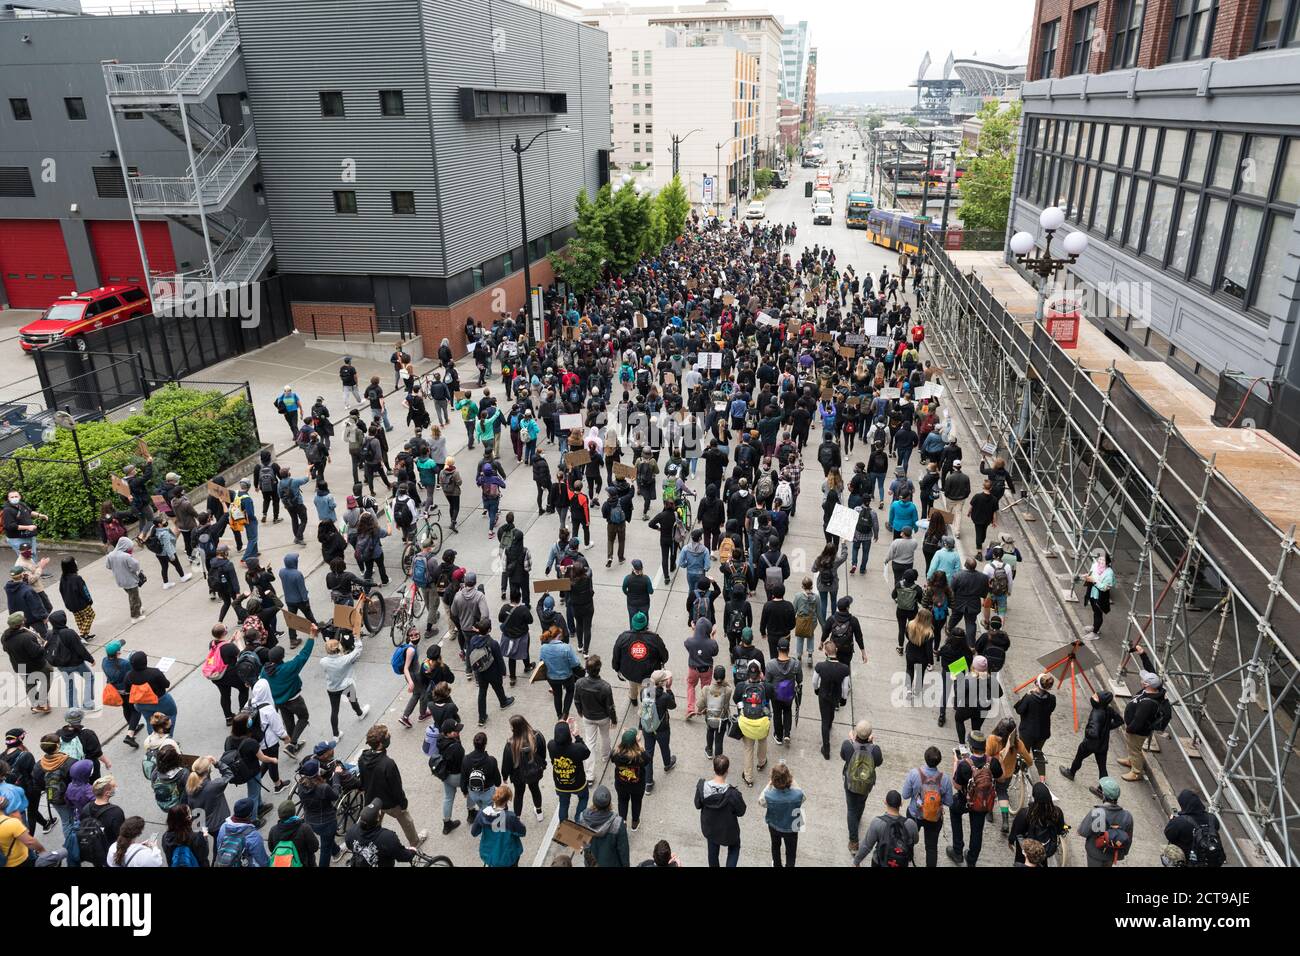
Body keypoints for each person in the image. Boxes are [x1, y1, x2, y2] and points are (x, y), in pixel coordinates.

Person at [358, 724, 427, 847]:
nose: (389, 736)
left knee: (374, 826)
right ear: (380, 743)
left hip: (373, 801)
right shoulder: (388, 764)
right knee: (407, 821)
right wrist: (403, 803)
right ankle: (415, 843)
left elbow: (363, 780)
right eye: (386, 735)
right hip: (390, 803)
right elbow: (396, 788)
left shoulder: (362, 757)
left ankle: (372, 845)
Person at [948, 730, 1002, 867]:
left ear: (971, 747)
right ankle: (971, 860)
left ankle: (957, 851)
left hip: (964, 800)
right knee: (977, 830)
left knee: (954, 812)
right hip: (982, 802)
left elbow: (957, 786)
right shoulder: (993, 762)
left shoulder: (964, 765)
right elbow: (1001, 778)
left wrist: (956, 763)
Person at [1060, 690, 1124, 793]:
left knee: (1079, 757)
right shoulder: (1109, 710)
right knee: (1102, 768)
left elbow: (1093, 732)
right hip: (1103, 745)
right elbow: (1120, 721)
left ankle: (1071, 773)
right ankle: (1102, 790)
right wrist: (1107, 728)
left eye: (1095, 697)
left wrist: (1087, 732)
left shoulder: (1096, 713)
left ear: (1101, 701)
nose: (1092, 697)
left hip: (1090, 744)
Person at [901, 746, 954, 868]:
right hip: (934, 818)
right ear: (939, 761)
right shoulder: (945, 779)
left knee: (908, 839)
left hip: (915, 814)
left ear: (925, 758)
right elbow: (949, 802)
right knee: (931, 847)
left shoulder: (914, 774)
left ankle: (908, 857)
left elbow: (905, 795)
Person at [695, 754, 746, 867]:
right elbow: (741, 811)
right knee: (734, 847)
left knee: (712, 852)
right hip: (728, 831)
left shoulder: (702, 788)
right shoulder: (733, 794)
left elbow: (697, 805)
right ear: (727, 770)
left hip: (711, 828)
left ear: (714, 769)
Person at [841, 719, 884, 856]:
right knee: (861, 803)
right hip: (866, 785)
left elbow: (844, 756)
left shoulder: (848, 745)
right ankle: (857, 819)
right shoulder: (875, 750)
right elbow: (879, 762)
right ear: (870, 735)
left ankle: (853, 842)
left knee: (851, 808)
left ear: (856, 733)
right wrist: (873, 744)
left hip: (850, 784)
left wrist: (852, 741)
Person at [1119, 671, 1170, 782]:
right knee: (1132, 748)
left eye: (1143, 680)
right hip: (1138, 729)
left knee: (1135, 749)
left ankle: (1136, 772)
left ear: (1147, 684)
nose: (1141, 680)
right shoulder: (1152, 690)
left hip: (1137, 732)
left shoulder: (1147, 703)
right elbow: (1152, 671)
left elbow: (1139, 721)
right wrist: (1143, 655)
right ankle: (1131, 760)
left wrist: (1129, 729)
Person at [853, 790, 919, 868]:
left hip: (879, 862)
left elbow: (867, 846)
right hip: (901, 863)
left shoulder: (877, 822)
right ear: (901, 804)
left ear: (885, 802)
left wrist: (856, 862)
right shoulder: (910, 824)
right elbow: (915, 841)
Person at [467, 618, 514, 727]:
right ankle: (503, 702)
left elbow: (469, 655)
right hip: (493, 672)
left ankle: (482, 717)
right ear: (489, 629)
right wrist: (503, 671)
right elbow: (499, 659)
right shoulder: (492, 643)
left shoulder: (473, 640)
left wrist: (470, 669)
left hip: (480, 672)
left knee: (482, 693)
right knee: (498, 688)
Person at [574, 654, 615, 779]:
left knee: (590, 743)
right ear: (599, 669)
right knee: (605, 736)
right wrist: (614, 719)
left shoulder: (579, 683)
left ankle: (589, 775)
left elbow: (576, 700)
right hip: (603, 717)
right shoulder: (605, 686)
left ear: (586, 669)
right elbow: (610, 706)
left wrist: (580, 712)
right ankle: (606, 756)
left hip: (588, 716)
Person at [1078, 777, 1134, 868]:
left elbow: (1083, 832)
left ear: (1103, 795)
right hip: (1111, 854)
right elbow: (1129, 839)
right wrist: (1123, 852)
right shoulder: (1127, 816)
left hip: (1095, 855)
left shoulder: (1097, 812)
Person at [500, 714, 547, 822]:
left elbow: (506, 763)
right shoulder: (537, 736)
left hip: (518, 775)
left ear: (515, 728)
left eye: (511, 726)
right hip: (534, 771)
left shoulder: (510, 744)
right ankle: (539, 812)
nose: (510, 728)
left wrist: (505, 776)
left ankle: (517, 818)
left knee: (519, 794)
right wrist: (541, 765)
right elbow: (542, 753)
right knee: (535, 789)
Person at [1008, 782, 1067, 865]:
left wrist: (1010, 841)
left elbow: (1016, 832)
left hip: (1028, 851)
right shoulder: (1057, 812)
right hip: (1046, 849)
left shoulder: (1025, 813)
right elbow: (1060, 829)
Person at [759, 762, 806, 867]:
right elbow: (803, 797)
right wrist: (791, 780)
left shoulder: (769, 795)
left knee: (775, 846)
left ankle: (777, 864)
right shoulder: (797, 794)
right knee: (791, 851)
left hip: (774, 825)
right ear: (789, 778)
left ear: (773, 779)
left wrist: (769, 784)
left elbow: (761, 801)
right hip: (792, 826)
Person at [1163, 788, 1224, 867]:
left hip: (1188, 861)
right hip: (1210, 860)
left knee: (1168, 850)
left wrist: (1172, 821)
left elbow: (1169, 835)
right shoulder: (1212, 819)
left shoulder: (1180, 821)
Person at [470, 784, 527, 868]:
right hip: (508, 856)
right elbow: (522, 832)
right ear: (506, 801)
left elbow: (474, 833)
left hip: (488, 854)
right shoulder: (510, 817)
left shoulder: (482, 813)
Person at [639, 669, 677, 792]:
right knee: (664, 747)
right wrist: (669, 689)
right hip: (662, 728)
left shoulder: (644, 692)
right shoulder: (665, 696)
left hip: (647, 727)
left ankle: (648, 783)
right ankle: (667, 764)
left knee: (648, 753)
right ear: (662, 683)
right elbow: (673, 706)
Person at [1014, 673, 1056, 782]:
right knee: (1038, 752)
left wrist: (1026, 695)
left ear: (1037, 683)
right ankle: (1042, 780)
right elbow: (1051, 709)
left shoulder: (1029, 697)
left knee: (1024, 751)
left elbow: (1019, 710)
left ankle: (1021, 770)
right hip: (1043, 732)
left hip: (1028, 732)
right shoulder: (1052, 698)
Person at [813, 641, 851, 759]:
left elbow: (814, 681)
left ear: (825, 652)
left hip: (823, 695)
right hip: (836, 696)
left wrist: (816, 689)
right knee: (832, 712)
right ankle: (829, 724)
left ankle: (826, 748)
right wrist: (844, 698)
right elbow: (845, 686)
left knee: (824, 719)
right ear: (836, 651)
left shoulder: (820, 666)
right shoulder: (844, 668)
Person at [548, 720, 590, 823]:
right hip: (578, 784)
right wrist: (577, 736)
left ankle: (563, 824)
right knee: (584, 797)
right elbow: (587, 752)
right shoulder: (577, 748)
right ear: (568, 735)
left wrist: (561, 725)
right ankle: (578, 820)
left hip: (560, 783)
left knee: (563, 803)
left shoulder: (551, 745)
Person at [578, 784, 630, 867]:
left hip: (591, 863)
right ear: (609, 803)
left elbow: (581, 841)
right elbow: (623, 851)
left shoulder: (582, 818)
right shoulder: (617, 823)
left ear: (594, 802)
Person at [460, 731, 502, 825]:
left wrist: (464, 791)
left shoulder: (466, 759)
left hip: (473, 793)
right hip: (487, 792)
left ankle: (483, 817)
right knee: (489, 810)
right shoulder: (491, 760)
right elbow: (498, 782)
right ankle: (489, 826)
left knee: (481, 806)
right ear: (485, 744)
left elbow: (463, 778)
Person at [609, 728, 648, 830]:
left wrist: (623, 740)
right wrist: (640, 744)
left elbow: (611, 756)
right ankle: (635, 822)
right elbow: (648, 759)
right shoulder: (639, 757)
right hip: (637, 786)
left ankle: (623, 822)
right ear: (635, 742)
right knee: (636, 802)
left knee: (622, 801)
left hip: (621, 784)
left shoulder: (617, 755)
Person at [105, 537, 146, 623]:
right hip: (130, 580)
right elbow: (135, 566)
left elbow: (108, 566)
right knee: (133, 597)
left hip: (120, 580)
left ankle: (139, 608)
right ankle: (135, 616)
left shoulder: (110, 555)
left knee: (133, 595)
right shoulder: (126, 556)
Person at [58, 556, 95, 641]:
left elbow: (61, 590)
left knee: (80, 619)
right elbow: (84, 590)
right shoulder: (77, 578)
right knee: (90, 615)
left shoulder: (63, 578)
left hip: (71, 604)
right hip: (81, 604)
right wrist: (89, 600)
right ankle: (81, 635)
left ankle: (85, 635)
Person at [1082, 550, 1115, 638]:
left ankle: (1095, 633)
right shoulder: (1095, 565)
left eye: (1103, 560)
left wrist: (1094, 581)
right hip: (1092, 593)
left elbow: (1105, 588)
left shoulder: (1109, 573)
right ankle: (1094, 627)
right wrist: (1086, 576)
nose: (1100, 562)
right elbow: (1090, 574)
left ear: (1107, 562)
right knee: (1095, 611)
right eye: (1099, 559)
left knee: (1098, 613)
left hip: (1100, 596)